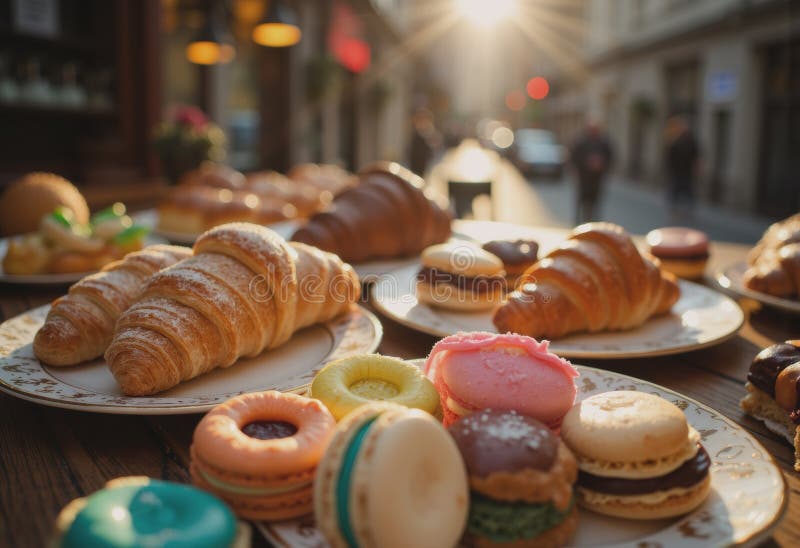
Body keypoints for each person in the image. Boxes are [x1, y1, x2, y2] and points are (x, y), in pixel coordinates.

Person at [570, 121, 614, 224]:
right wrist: (586, 163)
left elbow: (610, 157)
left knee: (595, 202)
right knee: (582, 200)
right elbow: (574, 157)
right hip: (584, 178)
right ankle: (579, 222)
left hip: (597, 178)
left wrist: (602, 165)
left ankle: (593, 222)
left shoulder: (603, 143)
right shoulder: (581, 142)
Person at [665, 116, 700, 219]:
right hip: (677, 171)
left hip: (686, 172)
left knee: (688, 191)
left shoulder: (691, 142)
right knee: (676, 191)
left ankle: (687, 211)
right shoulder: (675, 141)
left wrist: (697, 169)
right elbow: (669, 156)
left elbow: (696, 157)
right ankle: (674, 210)